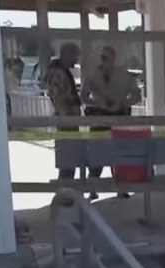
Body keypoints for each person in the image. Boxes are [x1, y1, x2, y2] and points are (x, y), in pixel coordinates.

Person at [81, 45, 142, 199]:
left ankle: (121, 188)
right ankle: (93, 189)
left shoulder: (124, 75)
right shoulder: (93, 75)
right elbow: (83, 96)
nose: (105, 60)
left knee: (119, 155)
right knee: (97, 154)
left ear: (114, 58)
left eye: (108, 57)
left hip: (119, 118)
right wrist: (97, 103)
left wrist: (123, 104)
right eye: (103, 57)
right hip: (99, 119)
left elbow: (137, 96)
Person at [45, 43, 82, 182]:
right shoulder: (57, 73)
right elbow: (59, 100)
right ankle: (64, 195)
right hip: (66, 124)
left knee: (69, 164)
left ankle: (66, 194)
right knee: (67, 164)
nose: (76, 60)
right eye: (75, 56)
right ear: (67, 55)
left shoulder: (62, 71)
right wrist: (68, 118)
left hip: (69, 122)